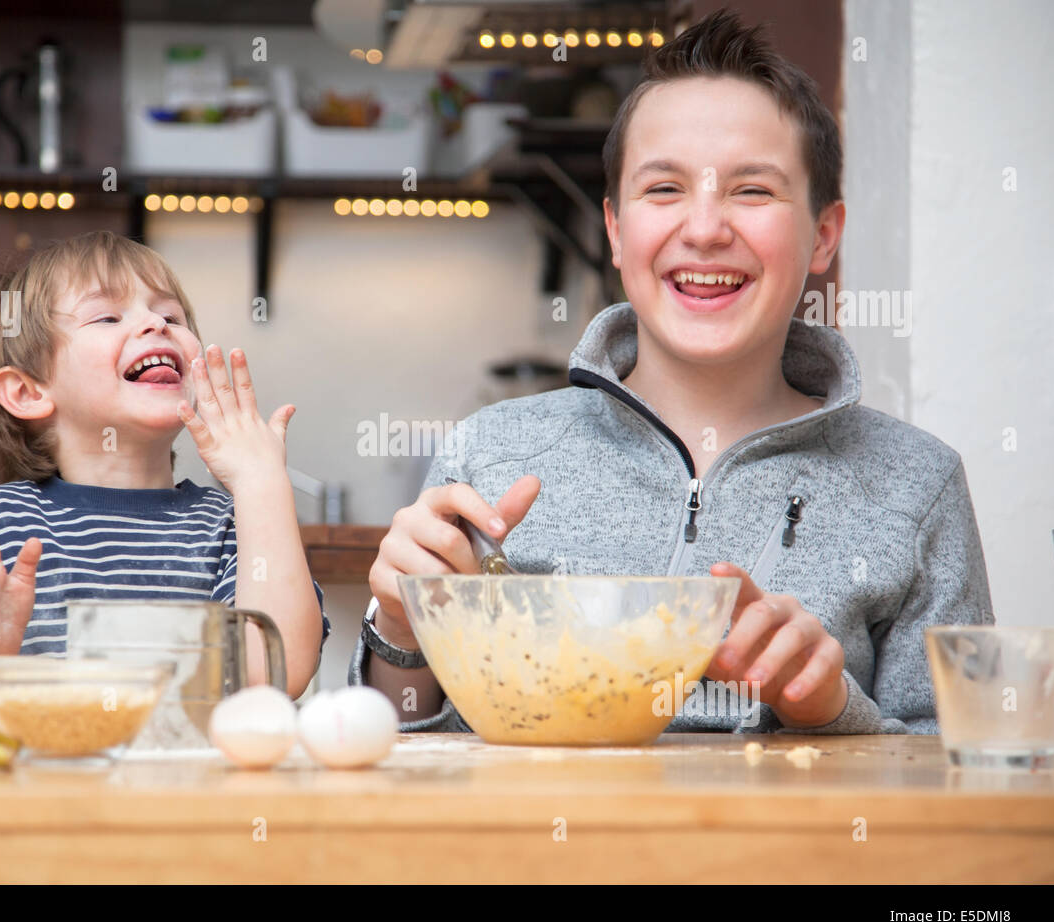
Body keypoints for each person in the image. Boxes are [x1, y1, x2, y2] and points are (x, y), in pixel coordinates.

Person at [353, 9, 993, 734]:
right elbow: (392, 748)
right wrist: (402, 630)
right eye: (664, 189)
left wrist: (834, 710)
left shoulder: (919, 484)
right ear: (618, 232)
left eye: (753, 191)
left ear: (823, 235)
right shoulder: (487, 457)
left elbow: (961, 787)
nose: (706, 228)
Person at [0, 230, 326, 698]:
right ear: (28, 392)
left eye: (171, 315)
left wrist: (262, 482)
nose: (155, 325)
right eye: (108, 316)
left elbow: (273, 675)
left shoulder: (229, 525)